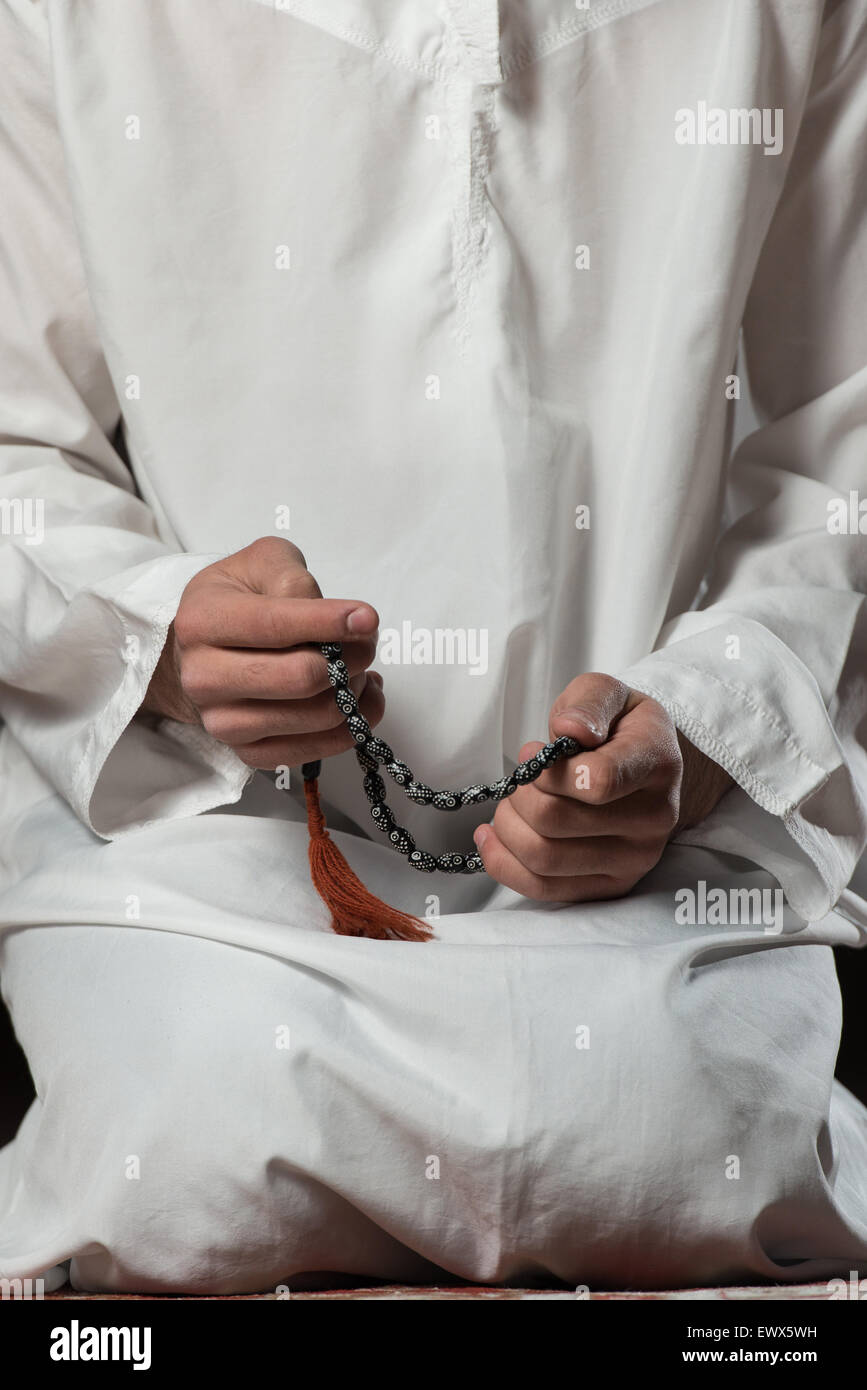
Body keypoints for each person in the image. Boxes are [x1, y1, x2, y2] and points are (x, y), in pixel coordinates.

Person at [0, 0, 866, 1295]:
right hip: (203, 856)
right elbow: (15, 442)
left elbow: (839, 453)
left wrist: (694, 733)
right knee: (197, 1124)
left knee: (670, 1112)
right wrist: (162, 630)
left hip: (654, 884)